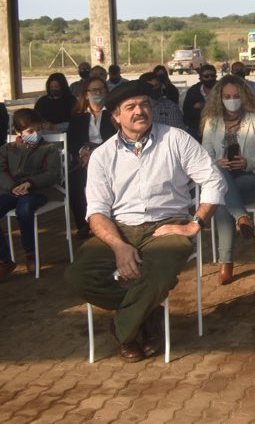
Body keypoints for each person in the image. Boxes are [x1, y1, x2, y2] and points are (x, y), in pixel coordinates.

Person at [64, 82, 226, 362]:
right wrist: (119, 247)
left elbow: (213, 179)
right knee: (78, 276)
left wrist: (195, 224)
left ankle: (124, 330)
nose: (140, 111)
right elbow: (97, 212)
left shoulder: (176, 139)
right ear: (116, 116)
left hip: (167, 225)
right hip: (120, 227)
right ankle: (148, 312)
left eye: (144, 105)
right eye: (130, 107)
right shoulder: (103, 155)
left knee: (159, 271)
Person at [200, 75, 255, 285]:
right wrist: (218, 163)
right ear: (219, 98)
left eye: (236, 96)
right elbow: (205, 156)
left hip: (253, 179)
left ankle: (226, 262)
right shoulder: (212, 121)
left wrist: (247, 162)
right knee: (221, 190)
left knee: (220, 195)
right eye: (227, 96)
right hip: (224, 177)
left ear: (244, 96)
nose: (232, 100)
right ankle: (242, 217)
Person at [0, 109, 63, 280]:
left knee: (25, 209)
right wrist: (13, 186)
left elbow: (53, 173)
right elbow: (1, 171)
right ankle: (4, 260)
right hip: (11, 190)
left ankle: (30, 253)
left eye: (39, 129)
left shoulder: (49, 148)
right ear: (18, 132)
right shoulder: (7, 149)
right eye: (30, 131)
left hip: (38, 190)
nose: (36, 134)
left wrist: (30, 183)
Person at [68, 76, 117, 238]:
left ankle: (109, 220)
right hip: (84, 157)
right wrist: (83, 151)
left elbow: (117, 137)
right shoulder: (78, 116)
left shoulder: (114, 113)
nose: (98, 93)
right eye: (94, 90)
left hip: (108, 156)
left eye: (102, 89)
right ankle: (84, 224)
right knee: (75, 180)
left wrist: (96, 153)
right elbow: (71, 140)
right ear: (86, 94)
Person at [183, 64, 217, 138]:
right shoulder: (193, 91)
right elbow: (187, 113)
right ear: (200, 78)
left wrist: (204, 106)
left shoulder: (222, 89)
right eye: (206, 76)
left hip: (219, 125)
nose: (210, 78)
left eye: (212, 76)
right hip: (197, 126)